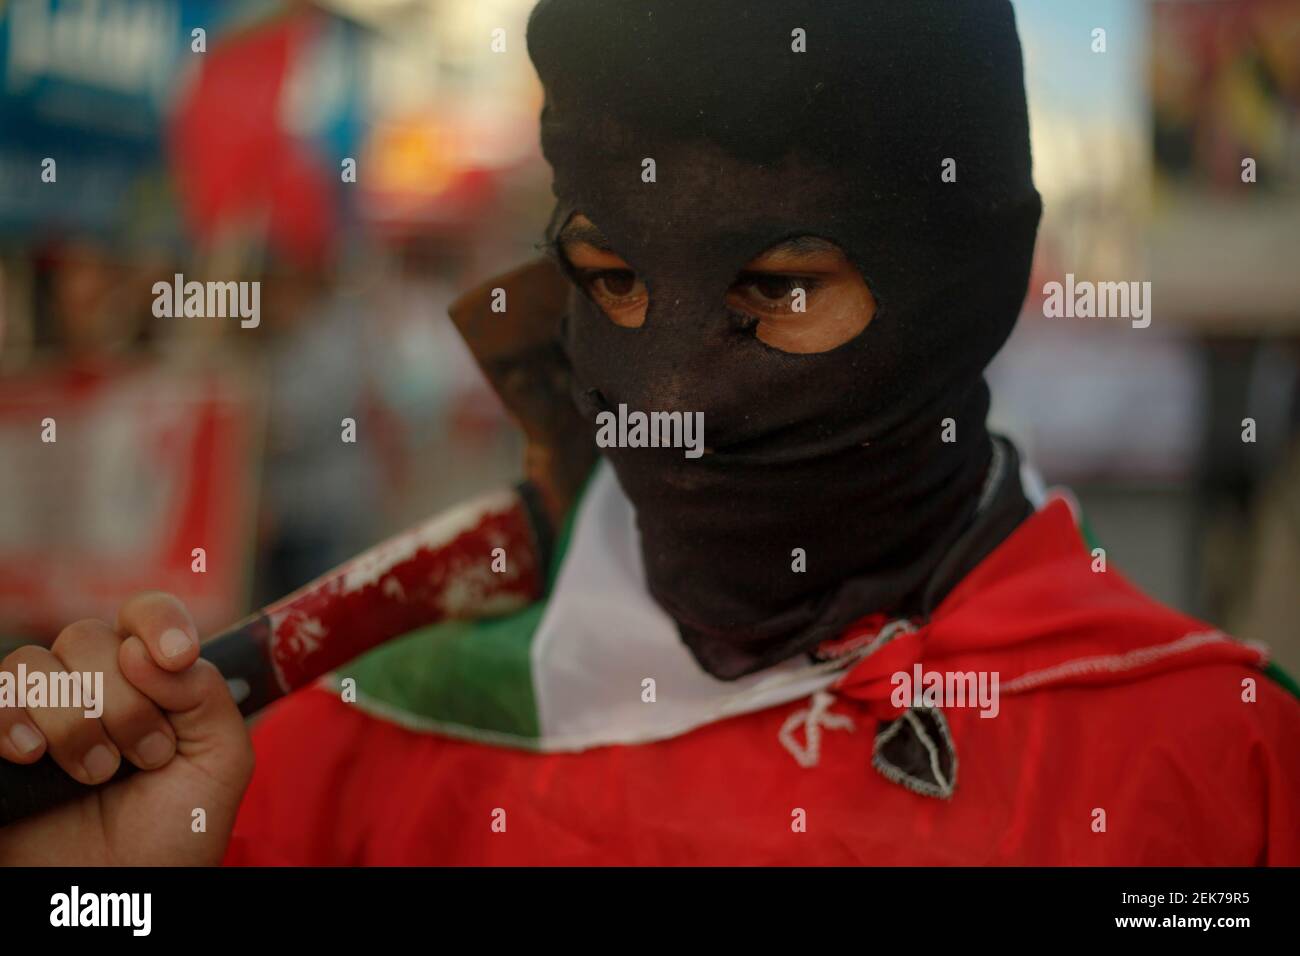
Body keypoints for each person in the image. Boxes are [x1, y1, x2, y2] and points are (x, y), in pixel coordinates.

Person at [2, 0, 1298, 866]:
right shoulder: (354, 748)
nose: (670, 393)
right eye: (611, 274)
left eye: (780, 291)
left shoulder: (1213, 770)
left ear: (963, 288)